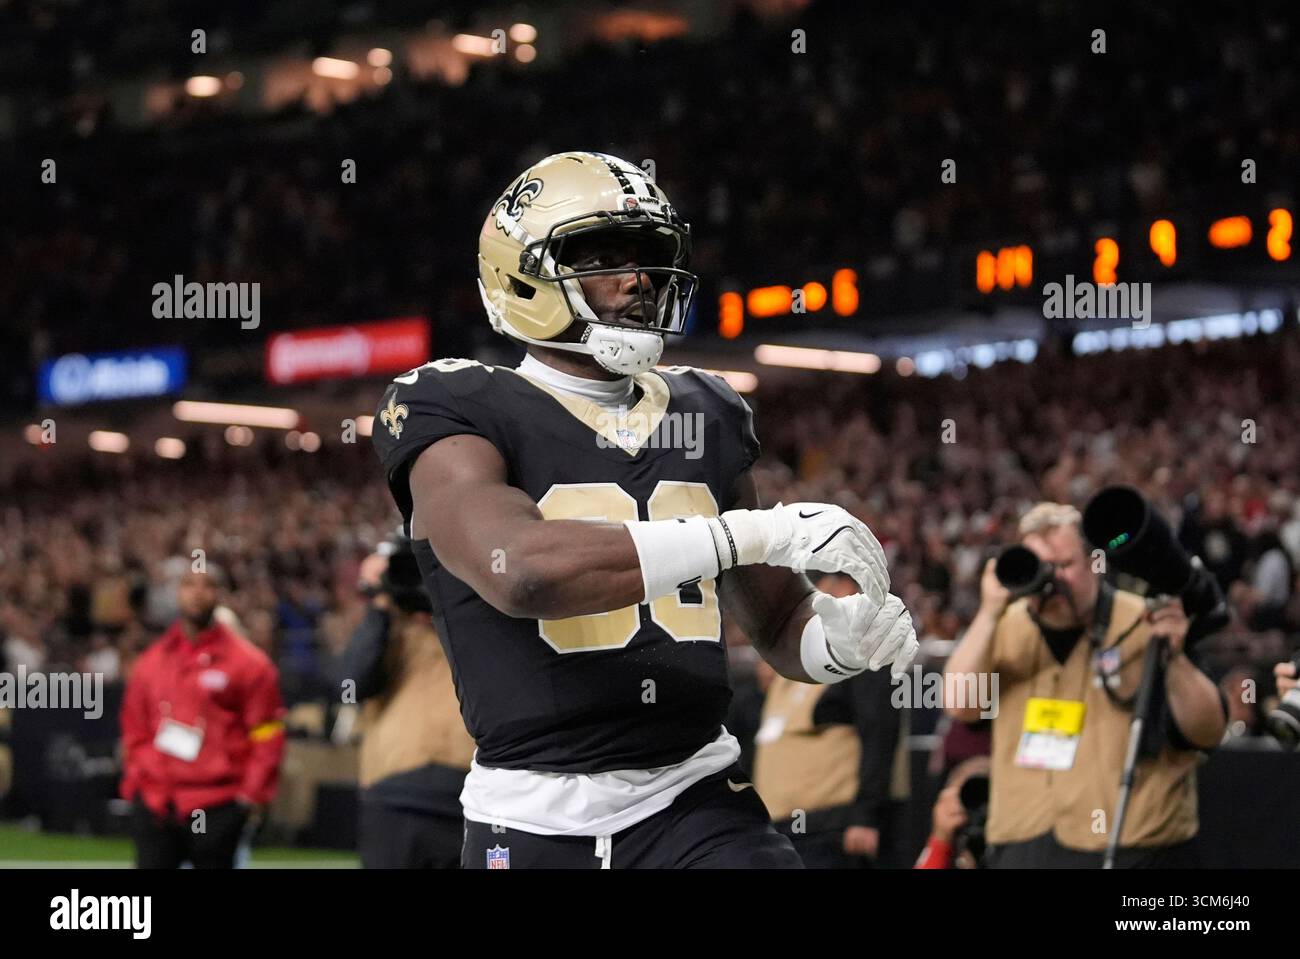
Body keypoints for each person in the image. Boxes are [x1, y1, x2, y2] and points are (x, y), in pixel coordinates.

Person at [372, 152, 918, 869]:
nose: (636, 279)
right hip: (528, 815)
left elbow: (779, 620)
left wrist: (839, 642)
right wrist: (756, 531)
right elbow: (522, 571)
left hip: (693, 796)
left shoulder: (709, 410)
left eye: (645, 255)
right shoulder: (455, 405)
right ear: (522, 271)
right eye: (601, 255)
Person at [943, 502, 1227, 868]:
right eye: (1041, 567)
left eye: (1064, 565)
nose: (1053, 580)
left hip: (1134, 847)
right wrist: (988, 611)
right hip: (1025, 842)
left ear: (1096, 563)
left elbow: (1207, 732)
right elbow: (959, 704)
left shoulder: (1146, 619)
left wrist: (1176, 658)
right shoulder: (1003, 627)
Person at [119, 568, 285, 868]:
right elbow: (134, 728)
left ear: (221, 595)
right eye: (188, 584)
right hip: (159, 801)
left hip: (217, 803)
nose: (197, 592)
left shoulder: (249, 665)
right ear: (176, 593)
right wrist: (139, 782)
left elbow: (267, 733)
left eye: (207, 585)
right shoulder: (151, 662)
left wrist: (250, 796)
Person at [752, 572, 903, 868]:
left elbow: (879, 733)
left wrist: (866, 816)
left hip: (830, 830)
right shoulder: (793, 662)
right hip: (780, 830)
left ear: (846, 589)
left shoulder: (861, 652)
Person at [344, 536, 476, 868]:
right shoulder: (388, 633)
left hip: (467, 794)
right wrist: (381, 601)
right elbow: (354, 683)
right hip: (395, 793)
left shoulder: (474, 628)